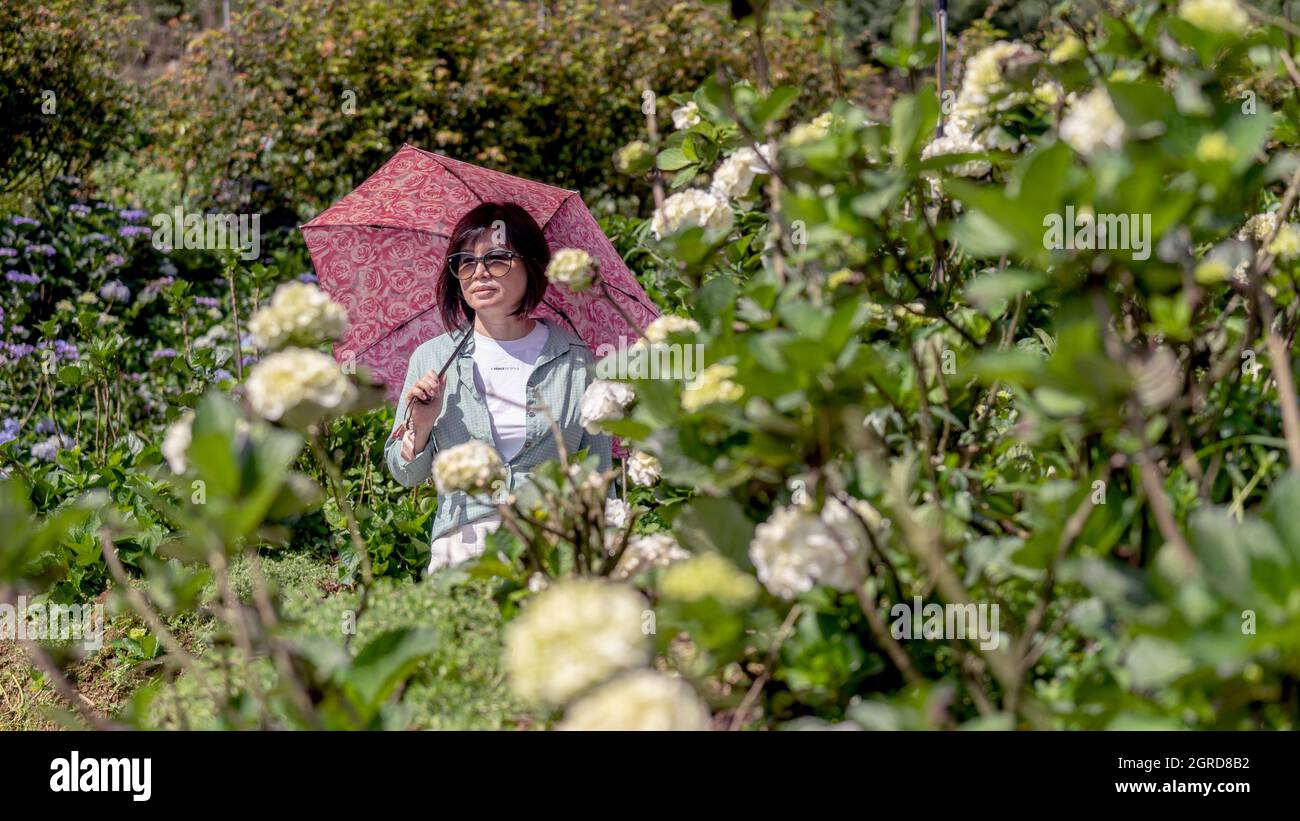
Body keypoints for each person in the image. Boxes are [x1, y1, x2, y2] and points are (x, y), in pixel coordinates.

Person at [385, 201, 610, 575]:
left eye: (497, 258)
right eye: (466, 262)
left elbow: (598, 470)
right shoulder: (434, 358)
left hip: (554, 549)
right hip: (462, 549)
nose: (479, 273)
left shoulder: (576, 359)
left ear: (532, 266)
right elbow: (404, 473)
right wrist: (421, 426)